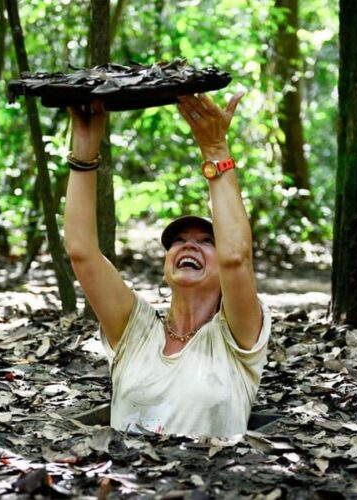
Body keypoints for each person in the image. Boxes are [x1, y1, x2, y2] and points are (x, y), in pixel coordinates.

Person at [63, 91, 271, 437]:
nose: (189, 244)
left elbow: (237, 258)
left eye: (207, 242)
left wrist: (216, 151)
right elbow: (82, 252)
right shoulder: (135, 330)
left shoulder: (238, 335)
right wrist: (84, 154)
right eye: (178, 240)